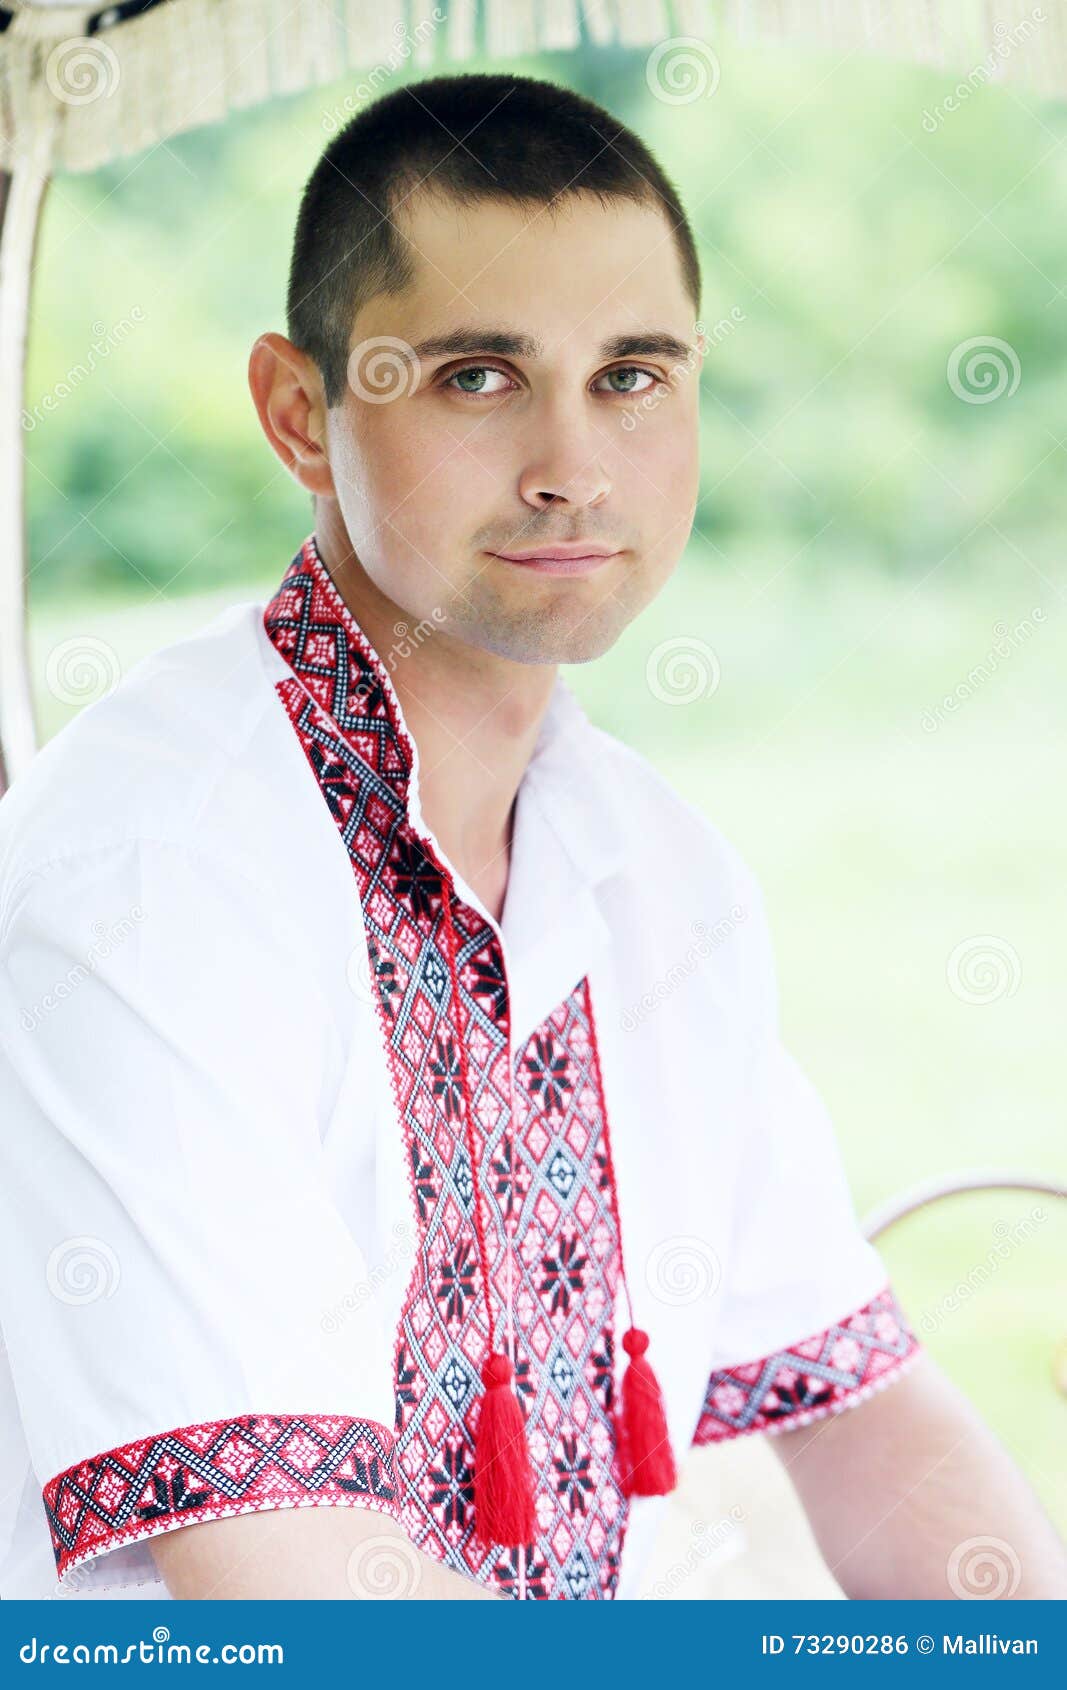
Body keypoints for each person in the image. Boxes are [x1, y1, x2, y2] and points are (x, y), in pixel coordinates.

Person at [0, 71, 1064, 1604]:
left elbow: (866, 1418)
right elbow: (289, 1579)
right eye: (479, 376)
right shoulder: (143, 876)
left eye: (631, 375)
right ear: (300, 414)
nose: (573, 463)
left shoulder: (661, 871)